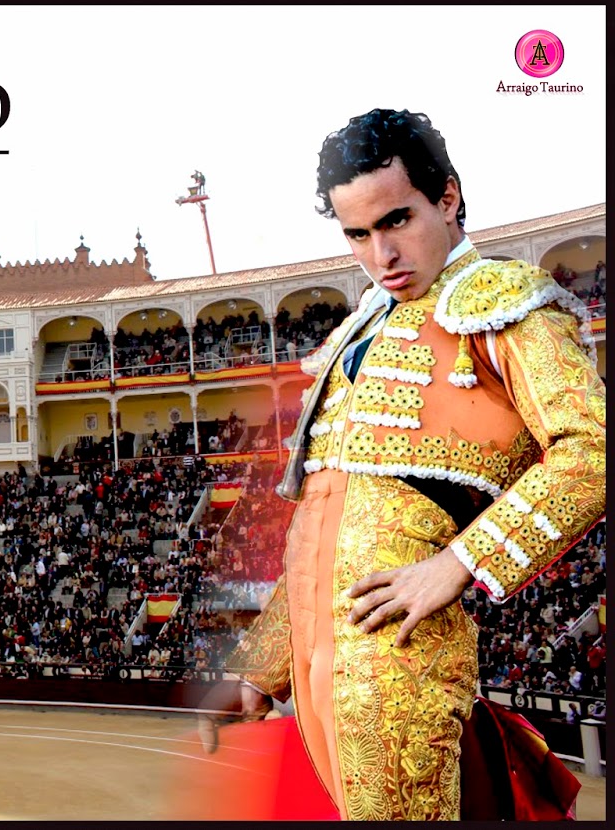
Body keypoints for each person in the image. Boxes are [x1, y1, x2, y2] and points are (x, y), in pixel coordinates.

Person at [208, 110, 604, 820]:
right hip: (321, 664)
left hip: (403, 660)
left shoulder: (505, 304)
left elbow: (595, 451)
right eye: (357, 234)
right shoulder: (357, 332)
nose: (381, 253)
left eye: (397, 220)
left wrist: (457, 563)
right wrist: (268, 663)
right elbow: (324, 509)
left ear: (447, 198)